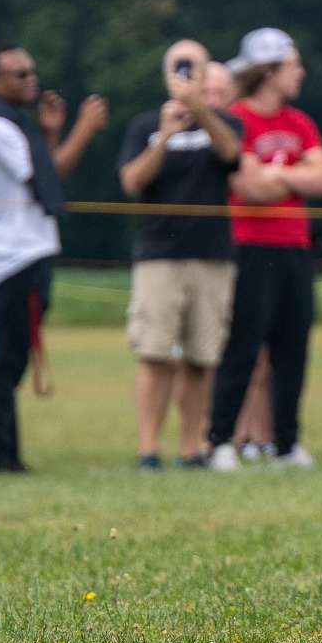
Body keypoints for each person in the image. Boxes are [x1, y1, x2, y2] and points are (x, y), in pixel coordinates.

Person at [0, 41, 108, 473]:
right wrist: (84, 128)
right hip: (16, 254)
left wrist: (51, 131)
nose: (32, 80)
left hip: (32, 247)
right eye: (20, 74)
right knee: (8, 358)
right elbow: (49, 175)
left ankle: (5, 453)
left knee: (16, 354)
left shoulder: (14, 123)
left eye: (32, 72)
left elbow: (43, 164)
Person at [208, 28, 322, 470]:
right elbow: (249, 187)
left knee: (293, 348)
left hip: (295, 248)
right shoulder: (235, 120)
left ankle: (285, 444)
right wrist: (293, 173)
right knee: (243, 345)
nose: (301, 72)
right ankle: (221, 440)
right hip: (249, 247)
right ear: (269, 71)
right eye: (293, 64)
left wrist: (277, 175)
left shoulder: (300, 122)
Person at [116, 44, 244, 470]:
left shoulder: (225, 122)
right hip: (159, 255)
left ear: (207, 73)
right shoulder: (145, 125)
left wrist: (200, 113)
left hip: (212, 255)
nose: (186, 73)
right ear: (165, 72)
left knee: (201, 356)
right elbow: (133, 182)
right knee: (154, 353)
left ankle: (191, 449)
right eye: (178, 66)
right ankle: (148, 449)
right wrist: (166, 136)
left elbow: (231, 155)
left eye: (194, 67)